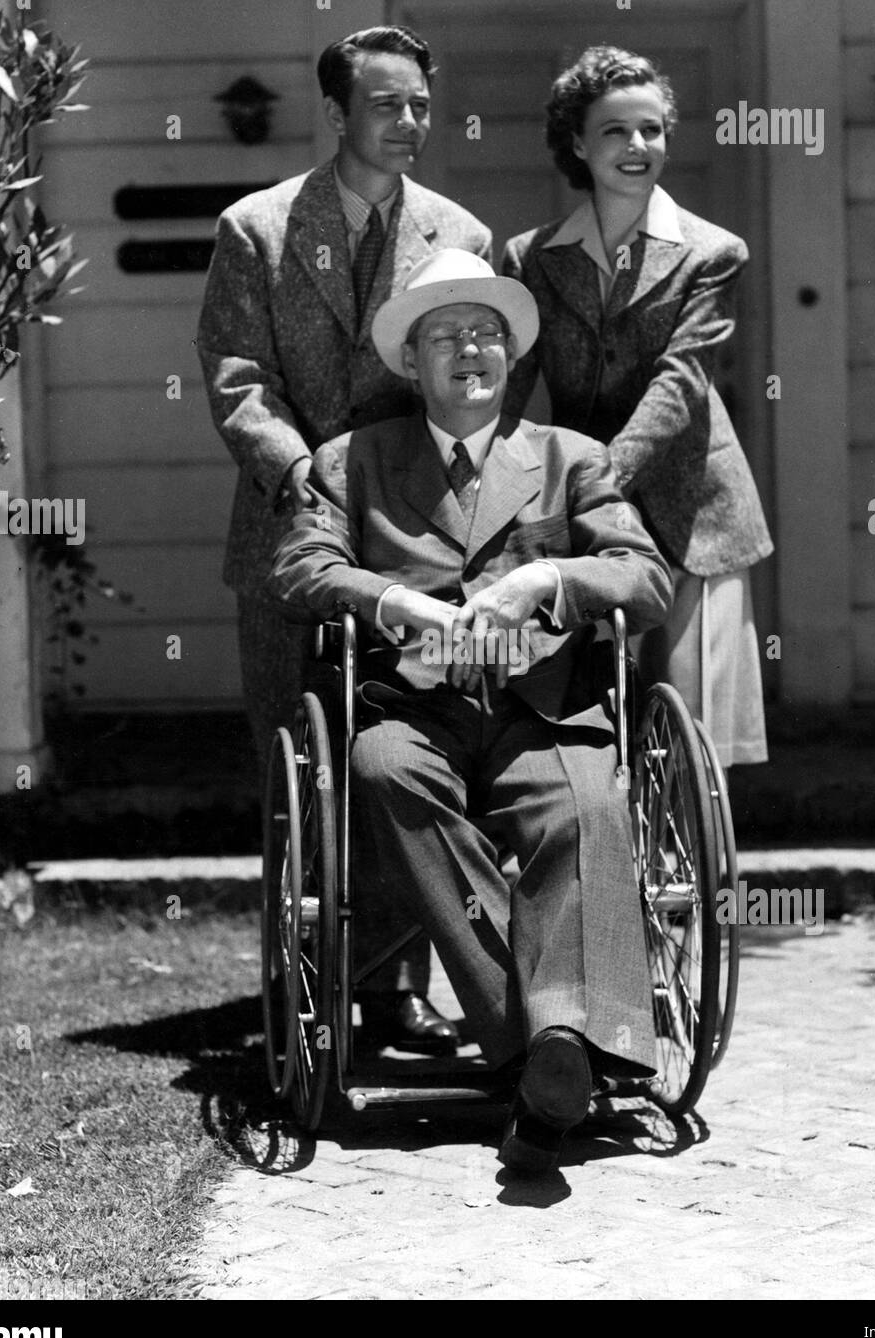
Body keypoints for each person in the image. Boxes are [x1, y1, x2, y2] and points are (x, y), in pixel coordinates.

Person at [267, 249, 672, 1175]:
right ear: (411, 360)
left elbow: (645, 579)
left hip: (542, 712)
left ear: (511, 354)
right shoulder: (355, 462)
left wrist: (546, 576)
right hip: (417, 710)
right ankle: (552, 1046)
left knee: (591, 806)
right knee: (378, 768)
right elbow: (299, 569)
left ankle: (547, 1057)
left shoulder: (572, 459)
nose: (471, 351)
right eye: (446, 336)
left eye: (487, 333)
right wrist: (389, 600)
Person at [198, 25, 492, 1051]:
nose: (408, 122)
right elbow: (238, 380)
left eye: (419, 103)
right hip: (288, 533)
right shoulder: (259, 229)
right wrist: (302, 472)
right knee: (295, 757)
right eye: (385, 104)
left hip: (414, 537)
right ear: (335, 112)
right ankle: (304, 974)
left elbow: (466, 382)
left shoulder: (460, 235)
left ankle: (397, 986)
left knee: (403, 753)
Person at [503, 46, 773, 768]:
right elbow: (512, 381)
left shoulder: (713, 253)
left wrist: (603, 472)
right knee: (584, 731)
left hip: (695, 513)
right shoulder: (531, 258)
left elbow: (681, 380)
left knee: (693, 741)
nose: (638, 146)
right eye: (617, 131)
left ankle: (698, 880)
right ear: (577, 142)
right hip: (578, 519)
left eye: (652, 130)